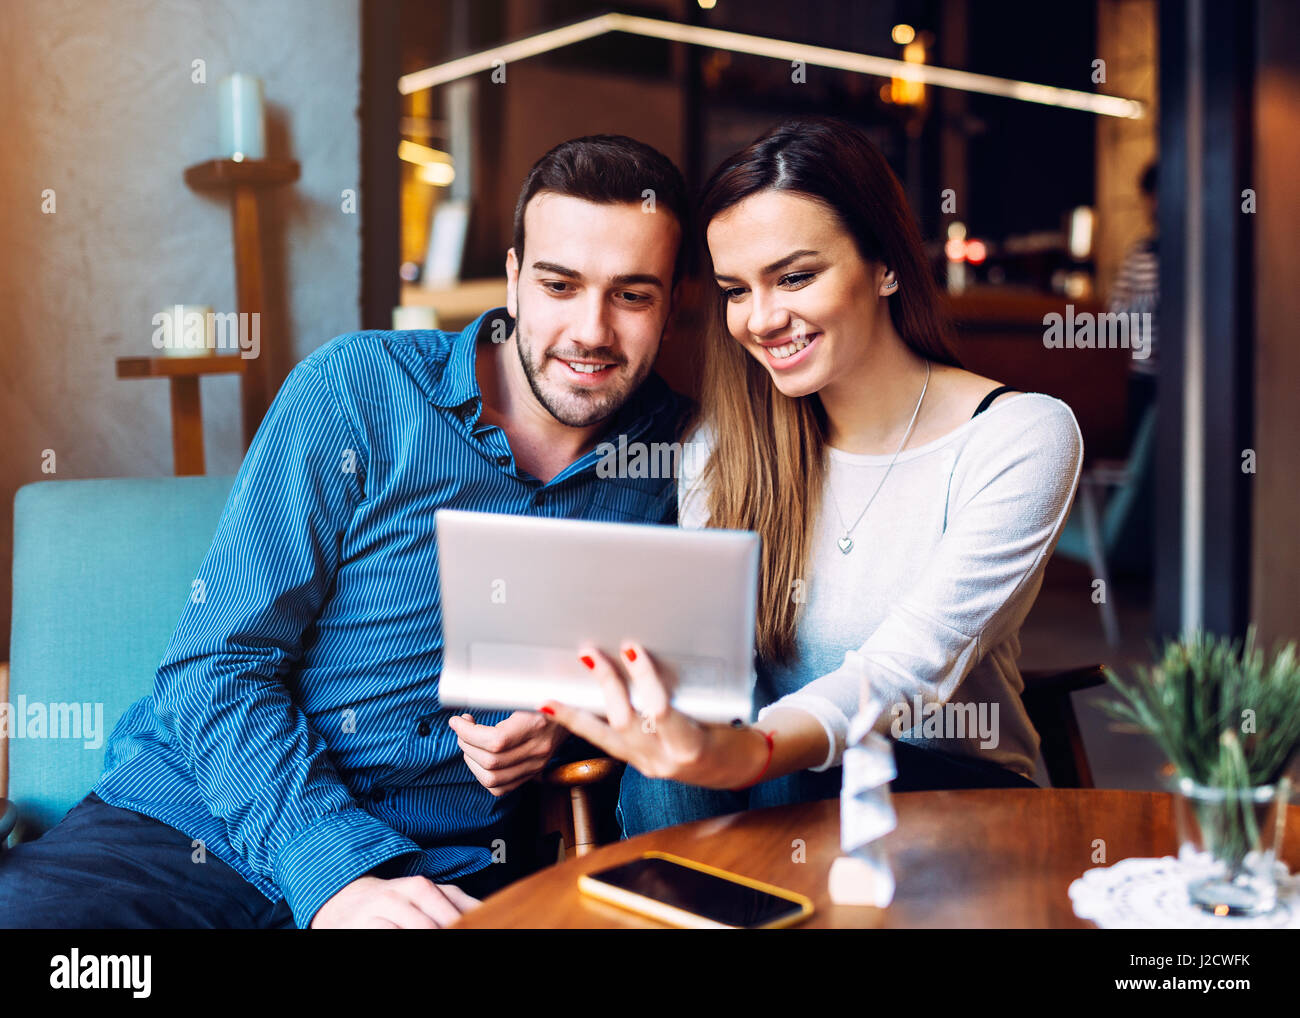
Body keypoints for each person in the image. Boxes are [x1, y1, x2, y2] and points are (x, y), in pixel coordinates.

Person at [0, 135, 692, 928]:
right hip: (192, 827)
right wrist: (332, 872)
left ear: (673, 304)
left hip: (438, 871)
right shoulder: (356, 390)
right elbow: (214, 663)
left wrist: (565, 731)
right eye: (559, 286)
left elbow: (678, 693)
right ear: (512, 281)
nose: (590, 331)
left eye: (631, 295)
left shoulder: (680, 465)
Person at [540, 118, 1084, 837]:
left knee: (719, 779)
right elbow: (710, 672)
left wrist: (749, 753)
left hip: (939, 791)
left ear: (885, 264)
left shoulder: (1019, 436)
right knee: (666, 777)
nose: (762, 319)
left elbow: (907, 674)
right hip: (766, 787)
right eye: (737, 289)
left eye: (795, 277)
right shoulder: (724, 450)